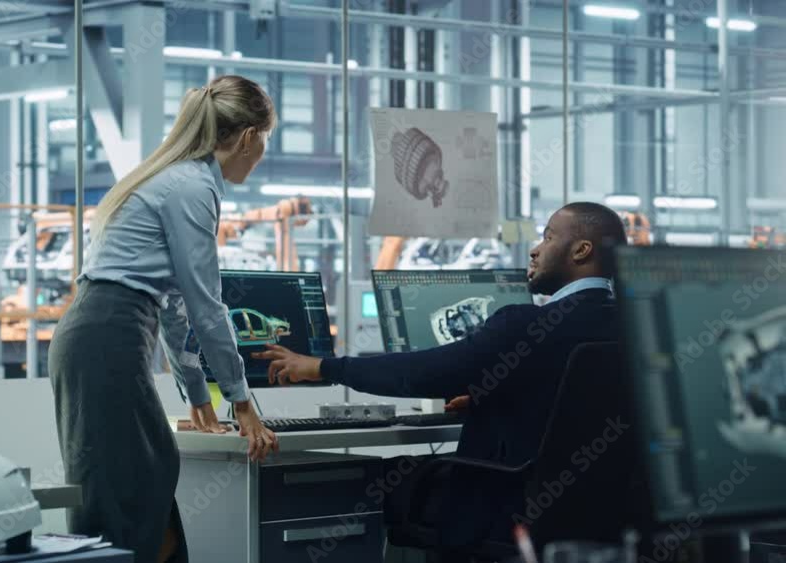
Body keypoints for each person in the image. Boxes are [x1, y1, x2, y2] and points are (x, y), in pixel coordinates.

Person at [253, 202, 627, 551]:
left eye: (547, 237)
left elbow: (425, 374)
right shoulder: (635, 326)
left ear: (581, 251)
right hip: (598, 511)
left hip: (501, 507)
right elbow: (569, 397)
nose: (534, 250)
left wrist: (324, 367)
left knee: (360, 477)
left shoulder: (525, 325)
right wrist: (490, 399)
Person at [49, 75, 280, 563]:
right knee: (124, 496)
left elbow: (175, 311)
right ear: (248, 137)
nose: (262, 156)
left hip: (97, 335)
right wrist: (241, 401)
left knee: (140, 481)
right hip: (107, 338)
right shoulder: (193, 187)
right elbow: (205, 305)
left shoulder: (174, 179)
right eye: (265, 141)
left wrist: (199, 395)